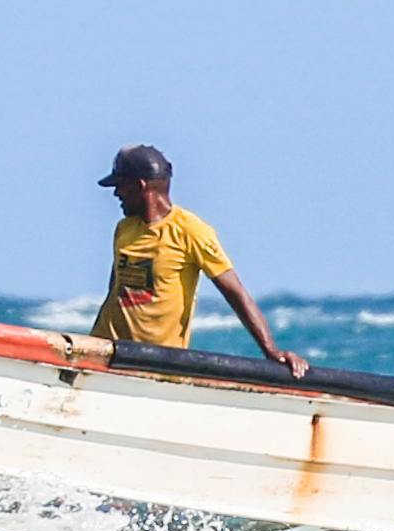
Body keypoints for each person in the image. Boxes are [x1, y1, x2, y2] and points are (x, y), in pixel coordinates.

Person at [92, 146, 301, 372]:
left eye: (120, 186)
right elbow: (115, 293)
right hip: (109, 356)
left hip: (155, 362)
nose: (116, 194)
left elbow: (235, 292)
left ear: (140, 186)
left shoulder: (191, 231)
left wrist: (271, 351)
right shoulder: (124, 229)